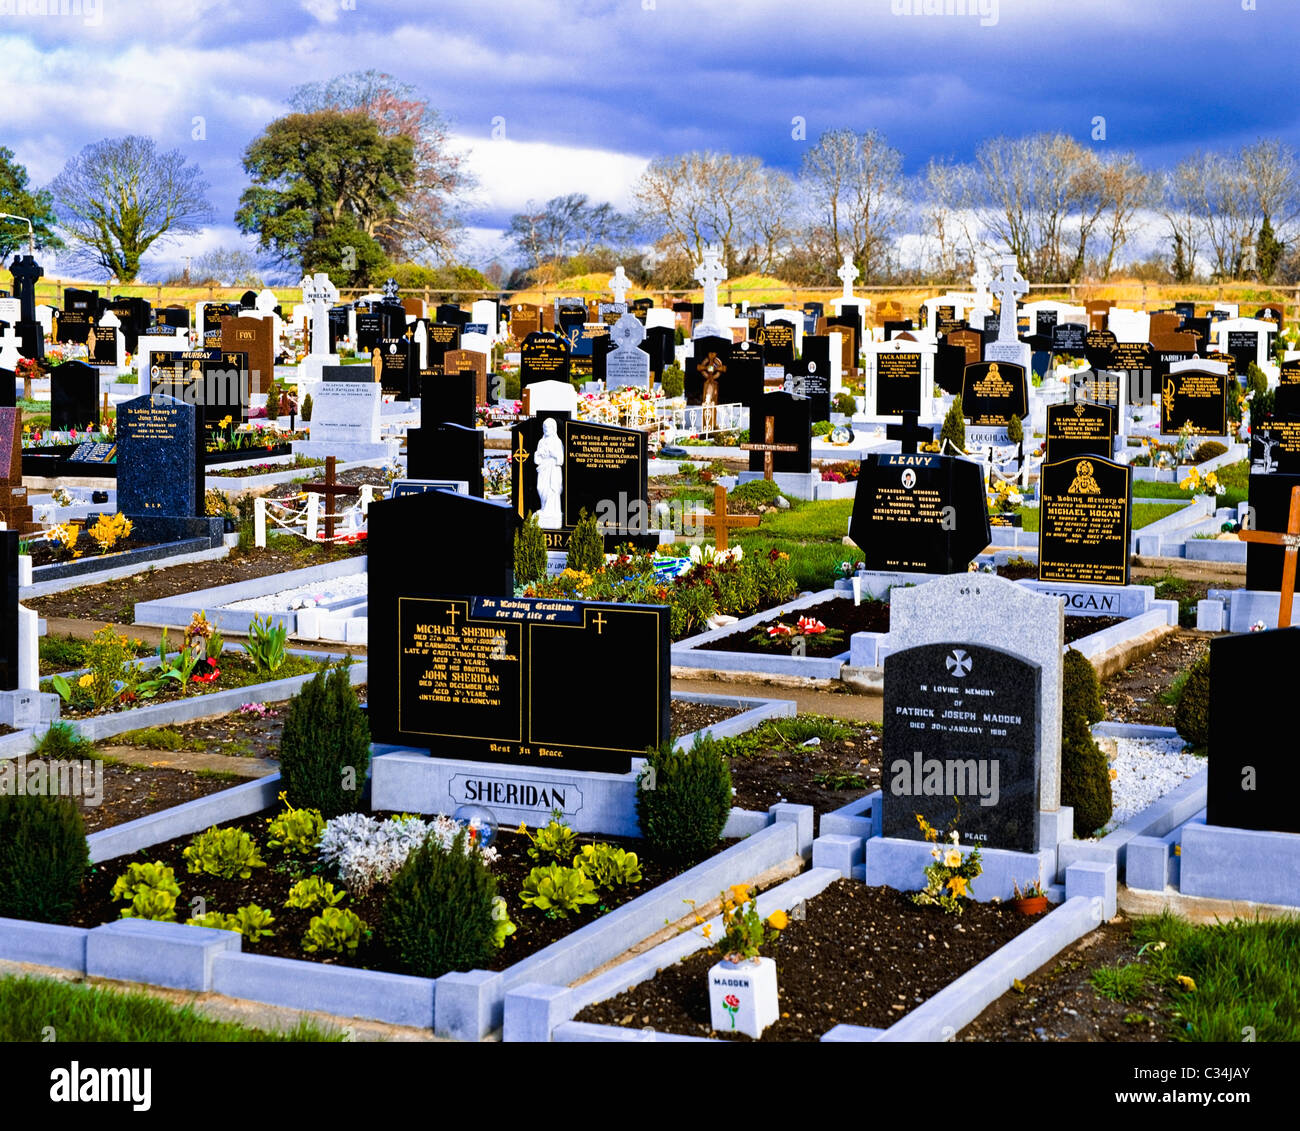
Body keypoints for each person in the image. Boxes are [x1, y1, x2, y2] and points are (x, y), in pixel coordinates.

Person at [535, 417, 564, 528]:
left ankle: (550, 511)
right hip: (543, 468)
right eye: (545, 427)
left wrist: (552, 453)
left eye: (548, 427)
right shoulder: (541, 442)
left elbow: (560, 459)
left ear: (553, 429)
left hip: (553, 469)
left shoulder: (557, 442)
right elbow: (536, 459)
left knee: (552, 489)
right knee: (540, 488)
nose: (546, 429)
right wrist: (539, 454)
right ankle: (544, 508)